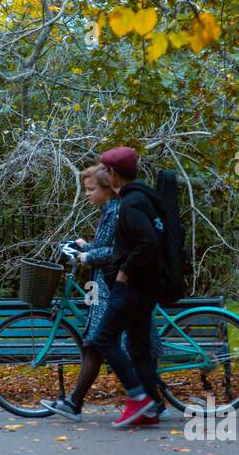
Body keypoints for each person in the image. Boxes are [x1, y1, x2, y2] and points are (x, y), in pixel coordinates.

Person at [40, 165, 161, 426]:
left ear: (108, 189)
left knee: (105, 341)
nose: (87, 194)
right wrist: (88, 246)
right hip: (107, 288)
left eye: (91, 189)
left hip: (114, 288)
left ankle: (145, 400)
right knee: (99, 343)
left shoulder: (118, 211)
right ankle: (77, 402)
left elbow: (116, 253)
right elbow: (111, 248)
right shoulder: (109, 211)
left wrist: (88, 255)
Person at [88, 146, 168, 428]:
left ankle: (138, 398)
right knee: (138, 348)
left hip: (134, 286)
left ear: (112, 173)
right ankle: (150, 409)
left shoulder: (131, 203)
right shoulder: (143, 197)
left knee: (103, 339)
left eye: (104, 170)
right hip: (147, 286)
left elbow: (147, 243)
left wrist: (124, 271)